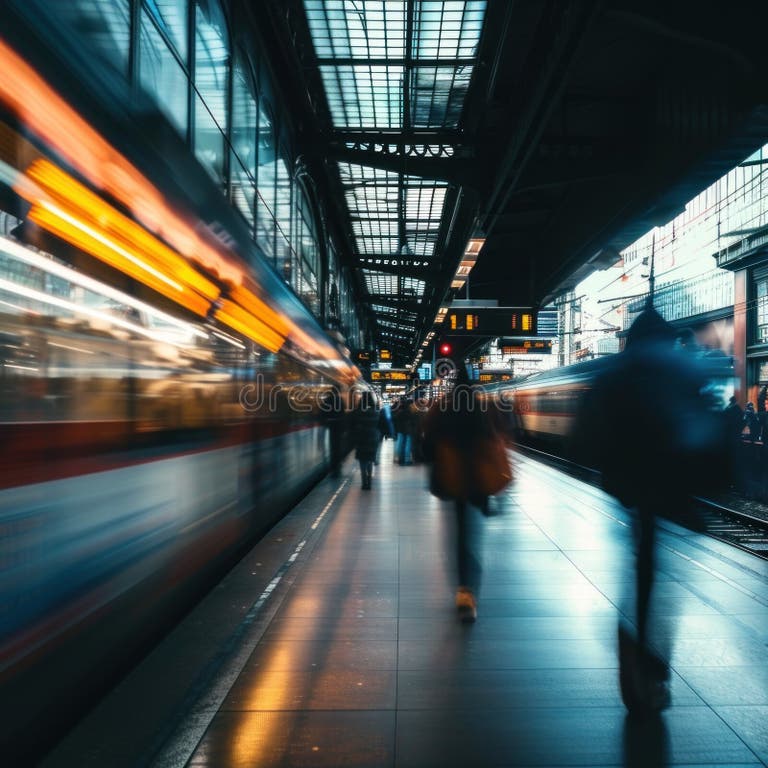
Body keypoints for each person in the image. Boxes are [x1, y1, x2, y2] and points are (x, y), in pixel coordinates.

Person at [571, 306, 727, 713]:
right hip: (675, 486)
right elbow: (712, 422)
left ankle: (637, 643)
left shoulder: (613, 372)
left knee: (642, 565)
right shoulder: (684, 367)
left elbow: (586, 430)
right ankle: (653, 660)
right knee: (665, 577)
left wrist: (607, 473)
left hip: (632, 485)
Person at [422, 365, 512, 623]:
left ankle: (463, 591)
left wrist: (439, 461)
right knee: (473, 537)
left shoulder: (441, 407)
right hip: (478, 479)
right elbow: (495, 441)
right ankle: (471, 591)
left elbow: (426, 445)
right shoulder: (481, 407)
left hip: (453, 479)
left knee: (460, 536)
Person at [350, 390, 381, 490]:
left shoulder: (357, 412)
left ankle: (364, 483)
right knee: (370, 460)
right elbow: (380, 425)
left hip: (361, 438)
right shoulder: (376, 411)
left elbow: (352, 425)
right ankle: (369, 481)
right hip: (373, 438)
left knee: (362, 461)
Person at [319, 386, 345, 478]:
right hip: (338, 427)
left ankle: (333, 469)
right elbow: (343, 414)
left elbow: (322, 413)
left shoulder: (327, 400)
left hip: (330, 426)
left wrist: (325, 422)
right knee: (338, 448)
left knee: (332, 448)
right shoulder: (340, 400)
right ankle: (337, 468)